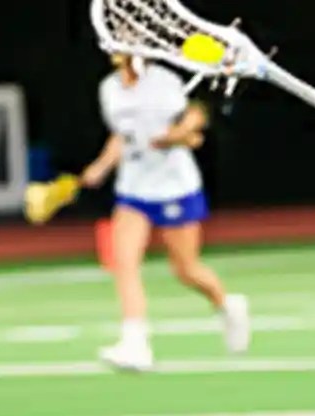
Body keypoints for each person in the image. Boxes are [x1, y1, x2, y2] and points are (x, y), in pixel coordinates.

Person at [81, 54, 250, 372]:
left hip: (174, 187)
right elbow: (122, 135)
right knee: (125, 262)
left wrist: (179, 134)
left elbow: (195, 115)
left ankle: (228, 305)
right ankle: (136, 343)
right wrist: (101, 167)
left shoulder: (163, 81)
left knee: (185, 269)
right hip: (133, 189)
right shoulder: (110, 89)